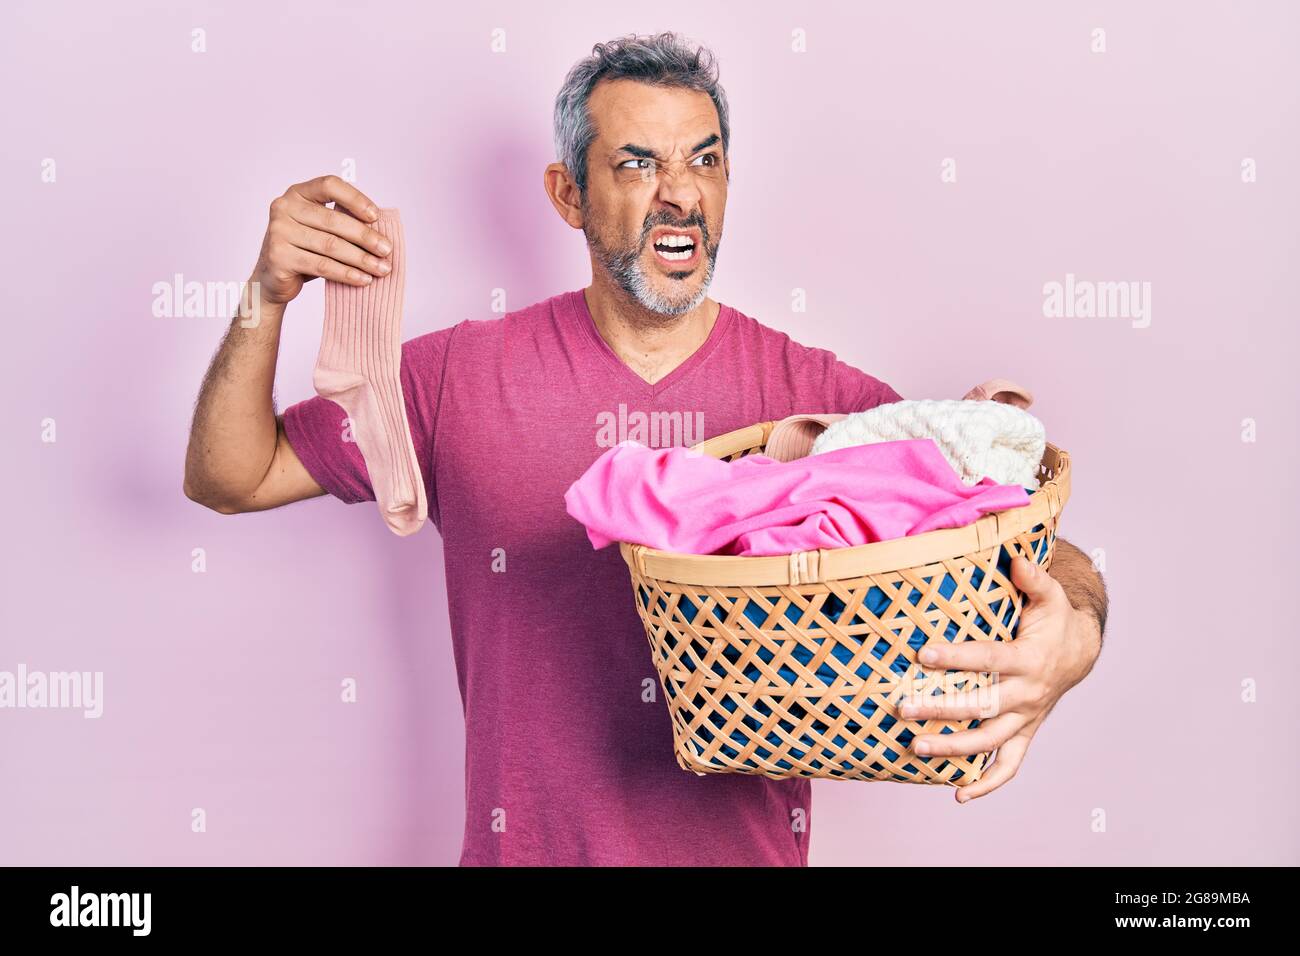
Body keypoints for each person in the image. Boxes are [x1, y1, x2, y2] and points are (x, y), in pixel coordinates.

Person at [183, 31, 1108, 866]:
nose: (681, 192)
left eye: (704, 161)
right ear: (568, 194)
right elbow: (234, 475)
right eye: (638, 163)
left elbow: (1013, 536)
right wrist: (268, 291)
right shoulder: (457, 378)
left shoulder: (818, 408)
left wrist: (1070, 639)